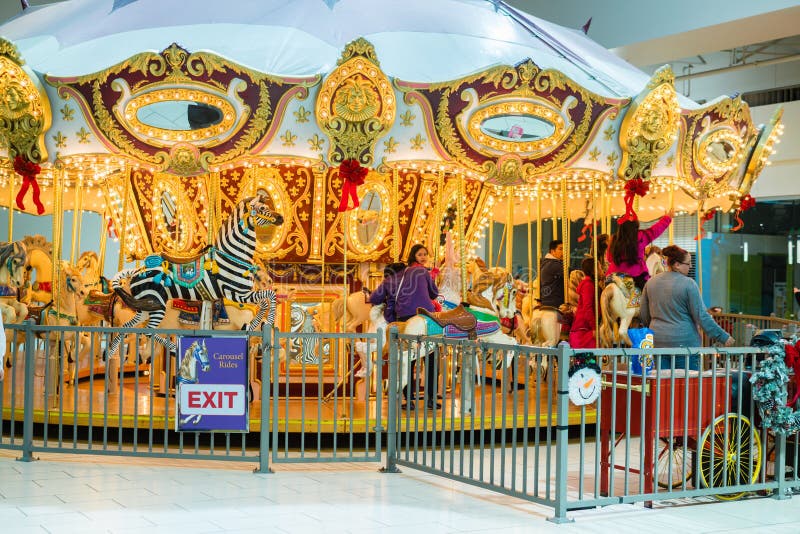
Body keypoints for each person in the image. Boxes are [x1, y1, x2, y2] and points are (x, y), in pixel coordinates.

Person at [639, 245, 734, 370]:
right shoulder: (689, 284)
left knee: (662, 386)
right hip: (685, 345)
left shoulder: (651, 282)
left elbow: (644, 314)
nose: (690, 267)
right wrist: (723, 337)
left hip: (658, 342)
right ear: (677, 264)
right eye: (688, 264)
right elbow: (701, 315)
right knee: (687, 386)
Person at [396, 244, 441, 410]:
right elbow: (433, 293)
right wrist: (433, 276)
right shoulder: (423, 271)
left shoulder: (405, 272)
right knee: (430, 359)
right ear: (414, 256)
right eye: (420, 254)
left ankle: (408, 399)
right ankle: (430, 397)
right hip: (423, 316)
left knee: (410, 359)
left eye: (425, 254)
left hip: (406, 317)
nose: (423, 257)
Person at [607, 211, 673, 290]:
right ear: (636, 225)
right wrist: (667, 218)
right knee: (646, 294)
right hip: (635, 274)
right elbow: (655, 230)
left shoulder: (614, 239)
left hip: (614, 274)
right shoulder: (640, 236)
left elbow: (609, 259)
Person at [569, 257, 598, 348]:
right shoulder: (588, 285)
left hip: (584, 327)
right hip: (584, 329)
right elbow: (587, 307)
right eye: (600, 268)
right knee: (588, 360)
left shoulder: (588, 284)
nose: (602, 271)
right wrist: (594, 327)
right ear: (594, 270)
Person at [539, 240, 564, 307]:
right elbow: (571, 273)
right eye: (560, 249)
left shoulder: (545, 263)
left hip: (546, 301)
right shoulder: (554, 264)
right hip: (554, 303)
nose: (563, 252)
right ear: (553, 251)